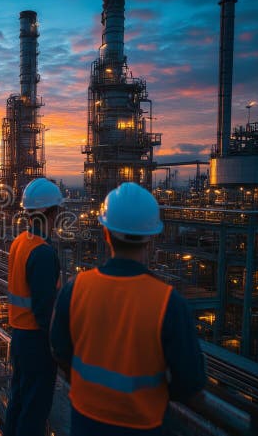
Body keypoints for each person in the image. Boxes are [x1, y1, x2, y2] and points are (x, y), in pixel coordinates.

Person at [50, 182, 205, 435]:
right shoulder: (169, 302)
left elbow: (58, 348)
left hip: (86, 419)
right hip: (143, 424)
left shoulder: (76, 287)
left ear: (105, 233)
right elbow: (190, 382)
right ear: (151, 237)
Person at [3, 177, 62, 436]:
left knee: (18, 400)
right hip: (37, 341)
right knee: (35, 410)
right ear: (52, 213)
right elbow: (44, 310)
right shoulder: (44, 253)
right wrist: (58, 346)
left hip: (19, 336)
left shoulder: (20, 242)